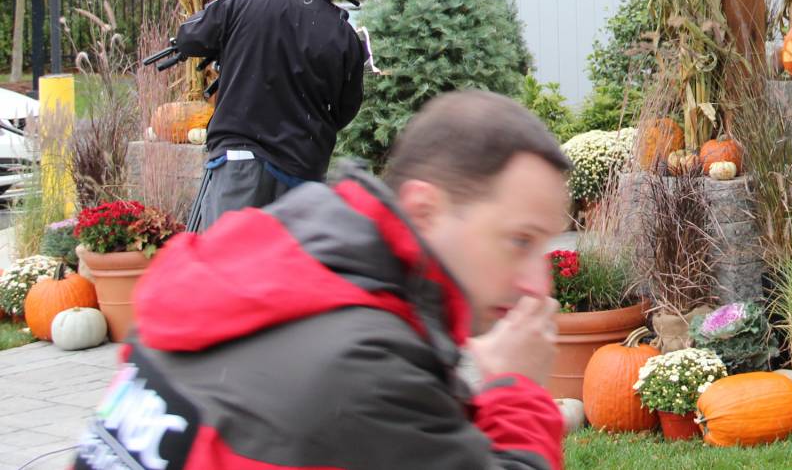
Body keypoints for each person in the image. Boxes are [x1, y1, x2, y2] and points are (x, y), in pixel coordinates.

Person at [73, 90, 569, 470]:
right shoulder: (364, 370)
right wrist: (518, 388)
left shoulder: (278, 264)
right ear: (425, 210)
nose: (537, 285)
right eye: (520, 242)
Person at [173, 0, 367, 231]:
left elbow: (188, 37)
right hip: (304, 170)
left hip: (240, 159)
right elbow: (348, 106)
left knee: (226, 262)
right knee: (287, 268)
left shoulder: (244, 0)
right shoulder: (343, 33)